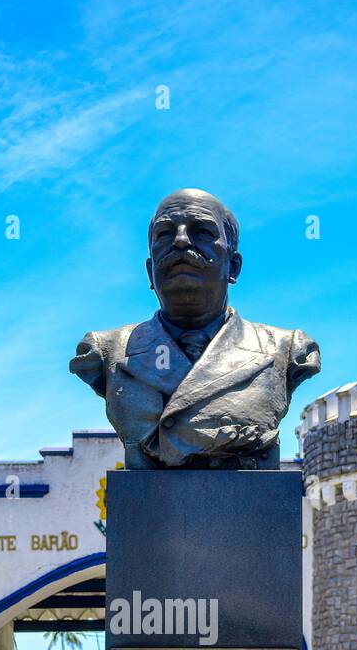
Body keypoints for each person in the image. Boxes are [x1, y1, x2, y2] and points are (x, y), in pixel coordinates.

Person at [69, 188, 320, 469]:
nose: (180, 241)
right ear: (150, 270)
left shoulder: (287, 350)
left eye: (201, 231)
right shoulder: (105, 351)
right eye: (164, 234)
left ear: (233, 266)